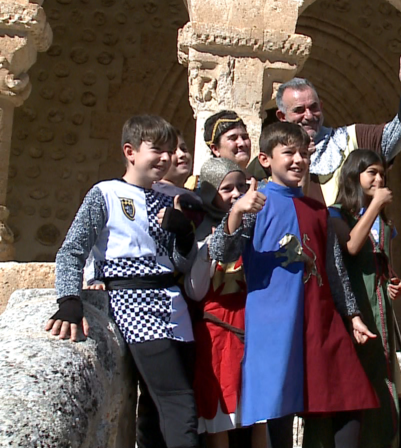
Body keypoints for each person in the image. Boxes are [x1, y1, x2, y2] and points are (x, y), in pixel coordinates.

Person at [209, 122, 378, 448]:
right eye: (288, 152)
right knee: (279, 412)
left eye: (304, 153)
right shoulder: (253, 204)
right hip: (274, 321)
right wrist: (236, 211)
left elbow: (333, 267)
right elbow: (222, 253)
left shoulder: (318, 210)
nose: (298, 159)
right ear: (266, 158)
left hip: (319, 318)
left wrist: (353, 315)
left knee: (347, 395)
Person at [44, 115, 201, 448]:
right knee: (178, 400)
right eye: (156, 150)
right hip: (133, 303)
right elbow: (72, 251)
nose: (165, 158)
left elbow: (180, 263)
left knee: (156, 411)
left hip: (173, 304)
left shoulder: (166, 199)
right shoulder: (106, 194)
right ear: (130, 151)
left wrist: (184, 233)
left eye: (170, 151)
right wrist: (69, 301)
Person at [249, 57, 401, 204]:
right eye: (299, 110)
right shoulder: (269, 157)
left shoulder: (352, 137)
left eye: (313, 107)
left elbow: (395, 136)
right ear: (281, 116)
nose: (309, 116)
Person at [184, 158, 267, 448]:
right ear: (209, 193)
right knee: (218, 414)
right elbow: (195, 290)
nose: (236, 194)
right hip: (218, 336)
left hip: (251, 332)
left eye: (241, 187)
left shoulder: (254, 226)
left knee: (259, 416)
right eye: (227, 188)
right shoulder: (197, 231)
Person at [328, 149, 401, 448]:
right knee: (358, 379)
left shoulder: (383, 221)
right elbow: (351, 246)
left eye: (382, 174)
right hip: (353, 307)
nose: (378, 178)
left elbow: (382, 264)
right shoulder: (336, 214)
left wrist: (392, 283)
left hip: (380, 307)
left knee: (381, 376)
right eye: (371, 172)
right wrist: (373, 206)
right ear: (353, 175)